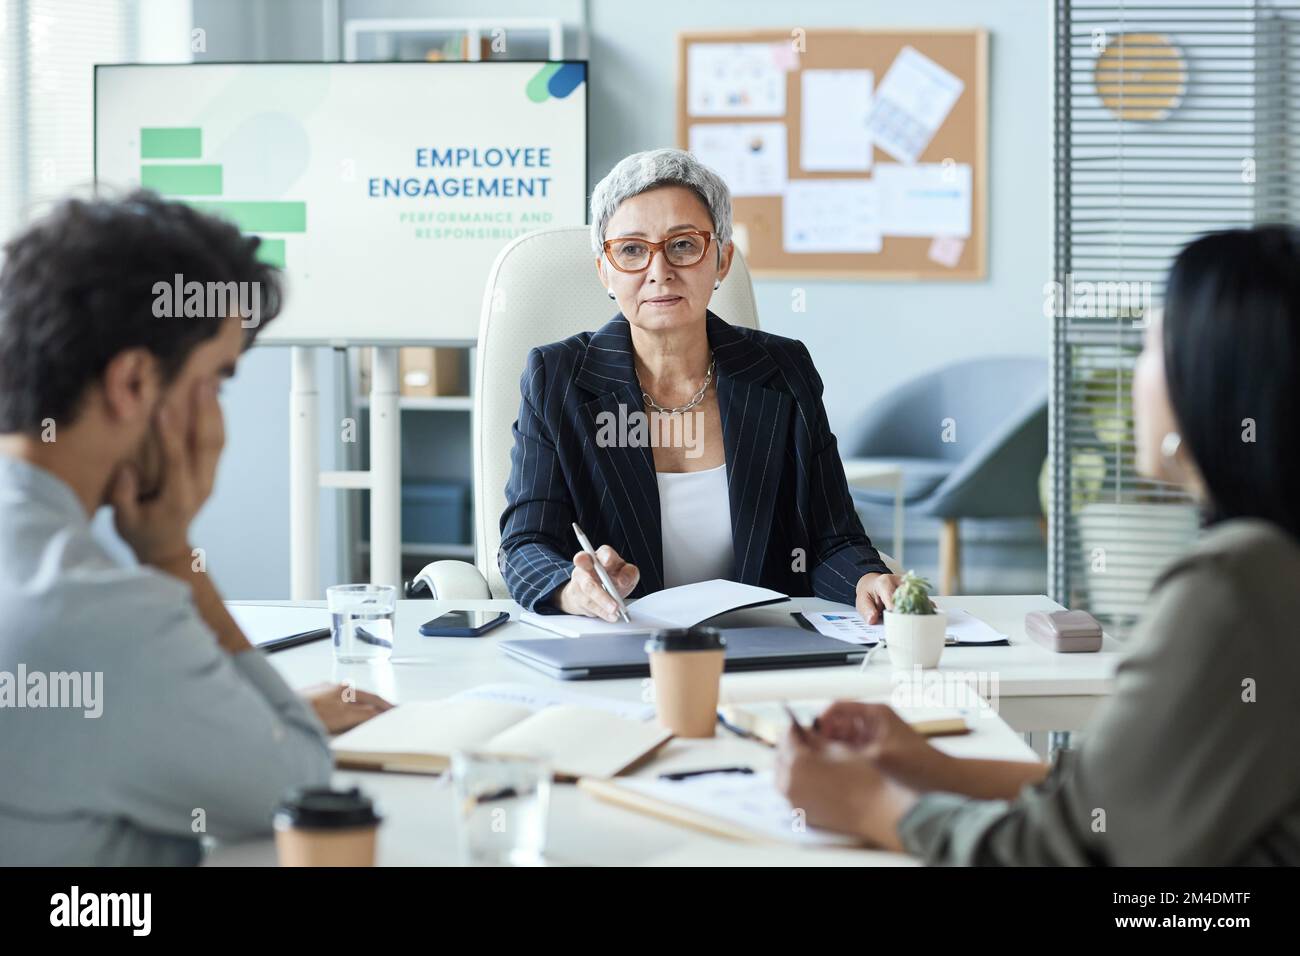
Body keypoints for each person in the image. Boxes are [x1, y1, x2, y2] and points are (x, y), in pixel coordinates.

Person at [776, 226, 1300, 865]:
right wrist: (928, 765)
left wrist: (867, 807)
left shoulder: (1237, 584)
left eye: (1149, 346)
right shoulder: (1271, 567)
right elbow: (1108, 808)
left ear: (1215, 378)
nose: (1136, 375)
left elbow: (1061, 852)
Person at [0, 191, 391, 865]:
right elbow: (296, 781)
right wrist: (173, 553)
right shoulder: (97, 612)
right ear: (132, 383)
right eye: (215, 383)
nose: (217, 420)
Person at [498, 148, 901, 623]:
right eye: (631, 250)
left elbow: (832, 539)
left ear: (722, 259)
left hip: (761, 646)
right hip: (621, 644)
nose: (659, 270)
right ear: (604, 270)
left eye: (683, 245)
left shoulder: (783, 368)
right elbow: (525, 544)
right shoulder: (557, 377)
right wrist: (571, 587)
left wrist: (866, 580)